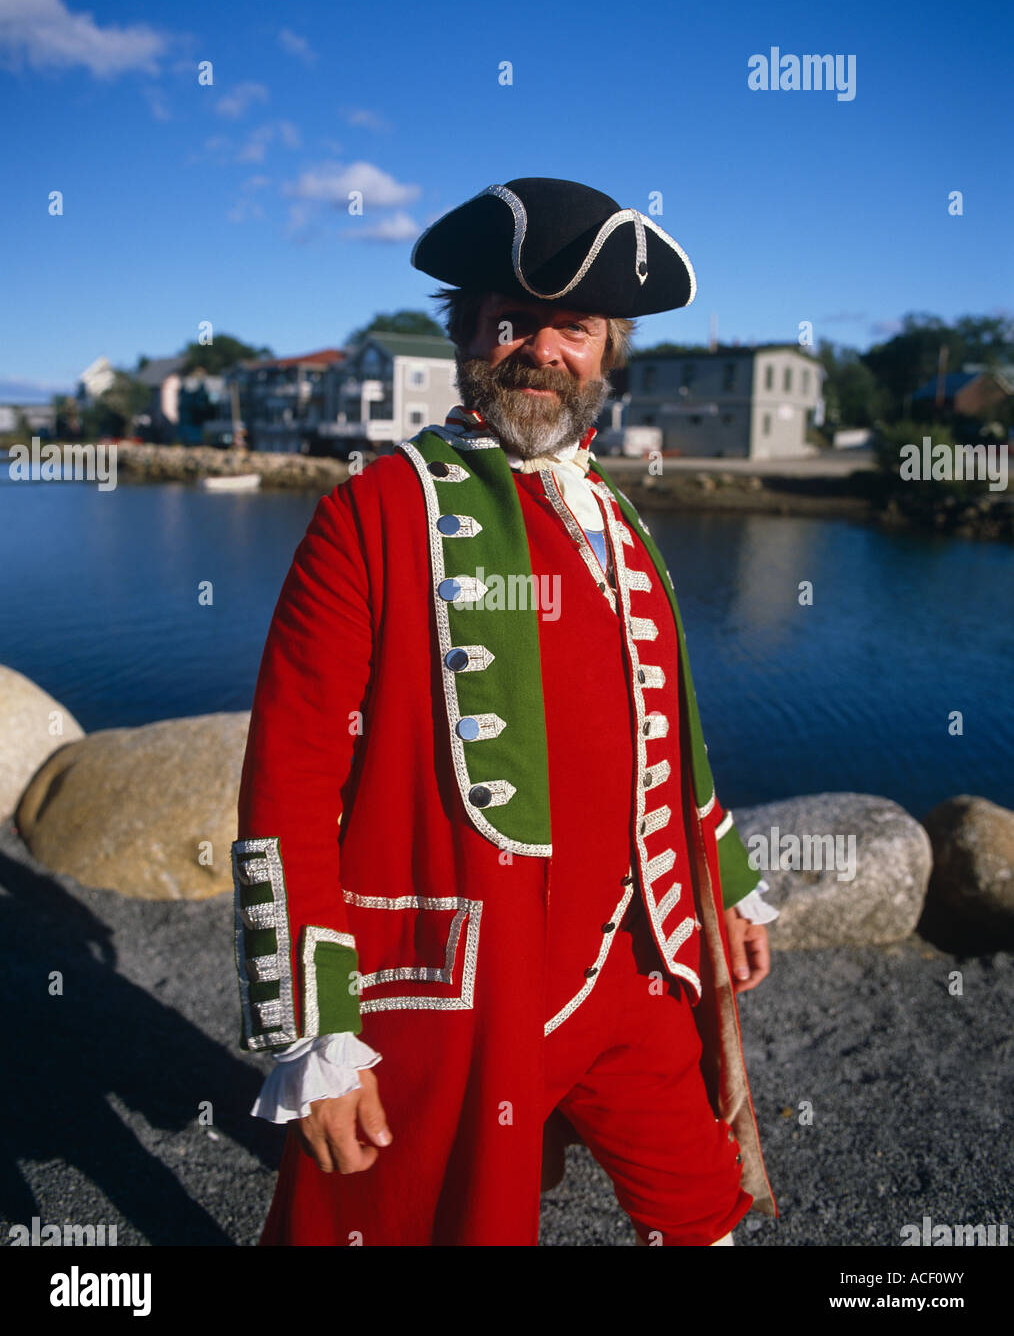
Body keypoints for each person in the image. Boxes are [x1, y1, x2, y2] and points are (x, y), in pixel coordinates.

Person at [231, 176, 778, 1246]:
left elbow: (669, 731)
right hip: (470, 991)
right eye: (511, 321)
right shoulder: (372, 514)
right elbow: (289, 784)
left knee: (705, 1209)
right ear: (471, 341)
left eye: (573, 327)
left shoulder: (619, 518)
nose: (541, 349)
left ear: (607, 351)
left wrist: (728, 887)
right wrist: (317, 1034)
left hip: (637, 969)